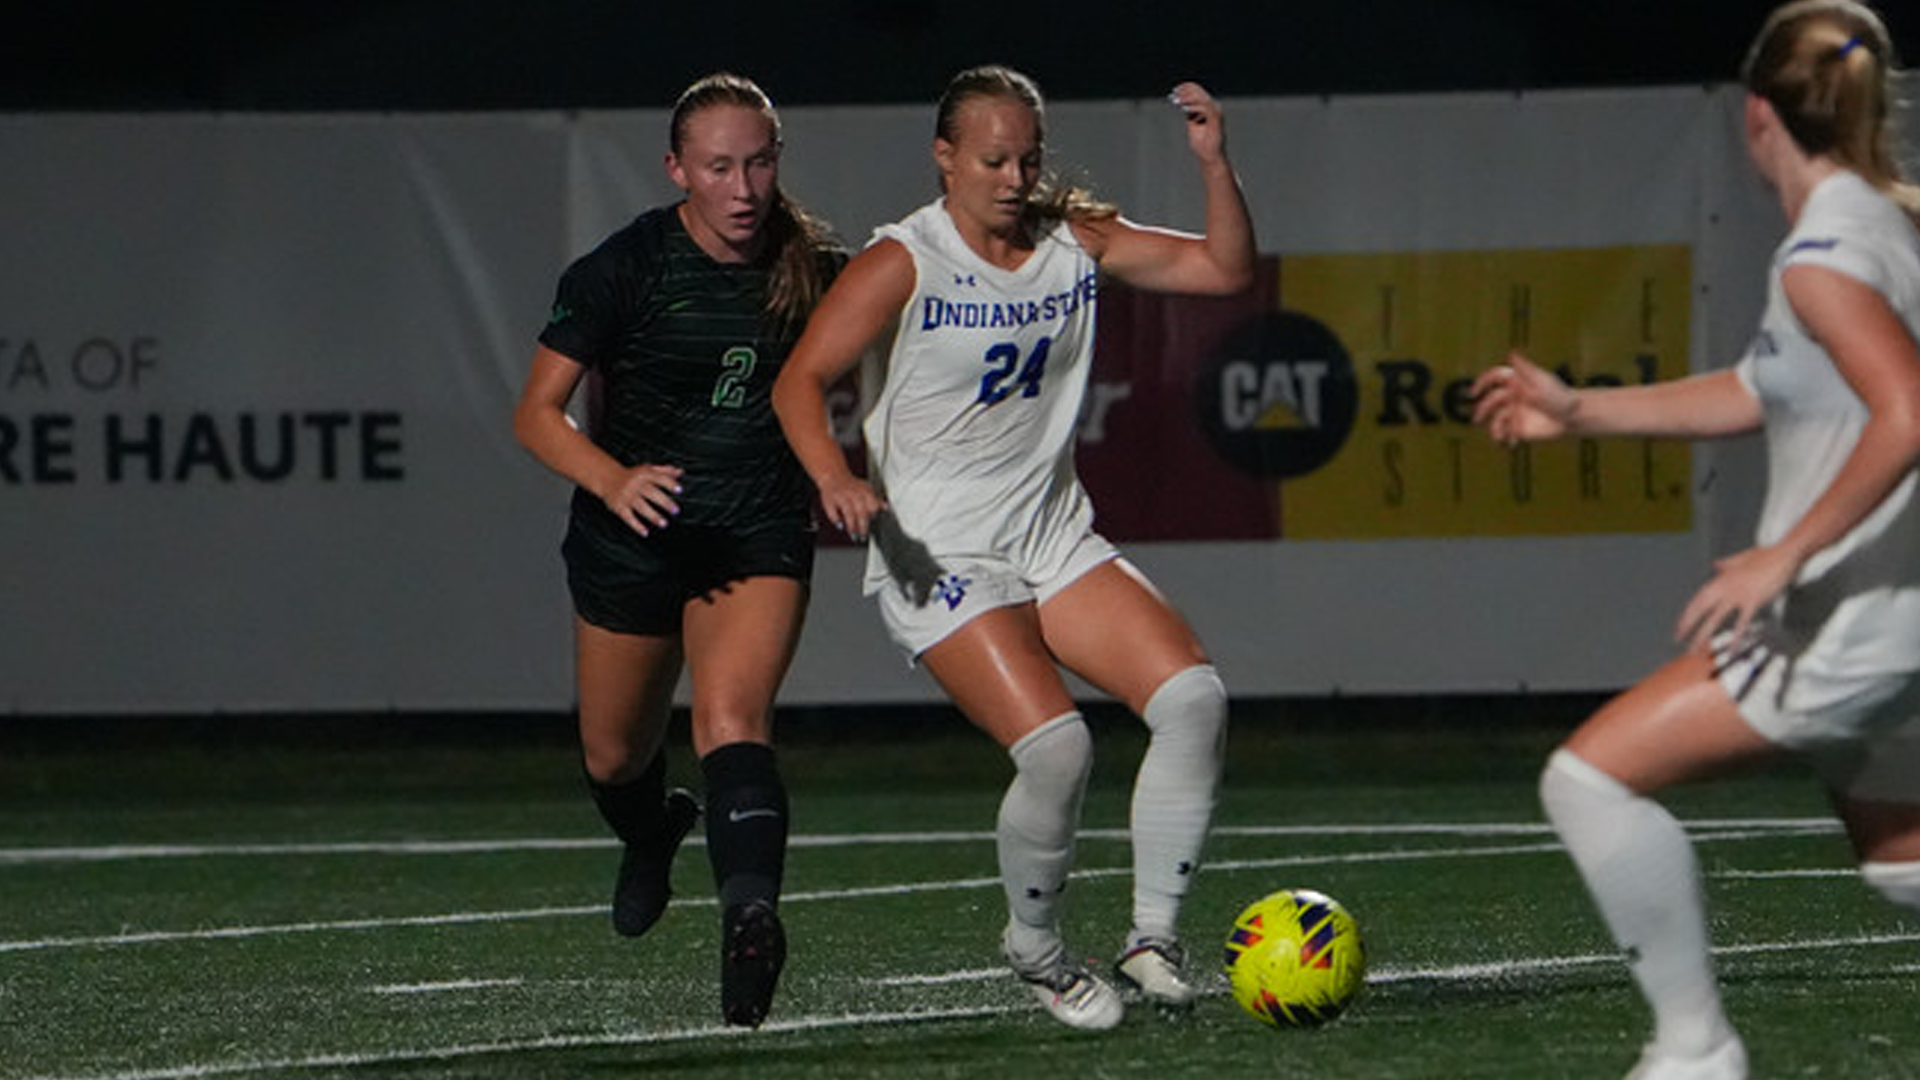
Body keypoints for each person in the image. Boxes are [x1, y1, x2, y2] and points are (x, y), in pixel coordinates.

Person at [1470, 4, 1920, 1077]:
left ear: (1754, 114)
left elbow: (1908, 410)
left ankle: (1696, 1049)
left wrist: (1782, 555)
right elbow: (1760, 389)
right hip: (1893, 620)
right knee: (1903, 860)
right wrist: (1582, 413)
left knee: (1588, 780)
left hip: (1846, 629)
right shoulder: (1878, 228)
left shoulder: (1825, 255)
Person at [772, 65, 1254, 1030]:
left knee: (1194, 699)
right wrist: (833, 475)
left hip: (1048, 533)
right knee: (1057, 749)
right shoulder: (904, 260)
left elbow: (1223, 271)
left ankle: (1152, 939)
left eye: (1027, 157)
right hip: (935, 549)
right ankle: (1035, 949)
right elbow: (799, 381)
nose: (1012, 175)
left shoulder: (1070, 240)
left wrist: (1213, 164)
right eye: (991, 157)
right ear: (944, 157)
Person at [512, 72, 841, 1030]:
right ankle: (652, 831)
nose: (744, 189)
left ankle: (750, 921)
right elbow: (536, 415)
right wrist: (614, 479)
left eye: (761, 163)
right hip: (635, 535)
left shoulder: (817, 264)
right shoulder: (624, 269)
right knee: (615, 757)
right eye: (720, 167)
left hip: (756, 525)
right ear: (677, 170)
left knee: (733, 717)